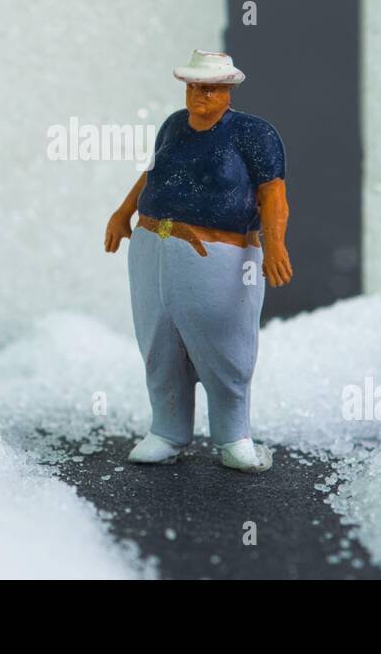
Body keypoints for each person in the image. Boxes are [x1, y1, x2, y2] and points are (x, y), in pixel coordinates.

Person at [104, 50, 292, 473]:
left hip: (218, 253)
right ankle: (167, 430)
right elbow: (152, 172)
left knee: (225, 348)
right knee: (158, 342)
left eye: (207, 88)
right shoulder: (174, 125)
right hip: (153, 244)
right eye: (192, 86)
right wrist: (122, 213)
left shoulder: (253, 134)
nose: (198, 95)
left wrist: (275, 244)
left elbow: (273, 193)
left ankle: (234, 437)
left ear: (227, 91)